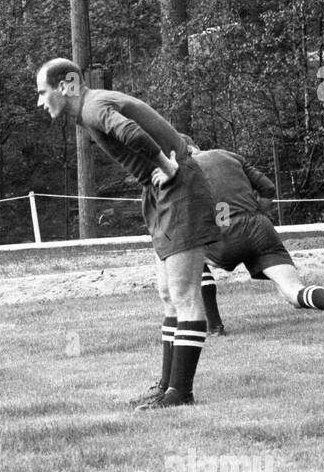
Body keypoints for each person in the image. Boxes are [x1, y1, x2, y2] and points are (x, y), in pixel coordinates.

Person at [36, 58, 219, 409]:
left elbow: (133, 133)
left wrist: (167, 166)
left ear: (66, 85)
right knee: (168, 292)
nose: (41, 102)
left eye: (43, 92)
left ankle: (181, 394)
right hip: (164, 192)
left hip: (178, 188)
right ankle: (166, 386)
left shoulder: (92, 107)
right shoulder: (93, 107)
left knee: (184, 293)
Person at [145, 137, 324, 405]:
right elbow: (267, 189)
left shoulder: (181, 169)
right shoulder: (228, 155)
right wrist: (255, 214)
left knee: (192, 258)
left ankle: (214, 326)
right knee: (292, 291)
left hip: (219, 234)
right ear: (196, 144)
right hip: (258, 227)